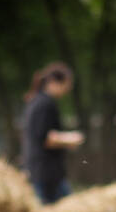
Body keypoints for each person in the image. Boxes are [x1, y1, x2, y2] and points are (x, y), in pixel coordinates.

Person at [22, 62, 84, 204]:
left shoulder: (34, 101)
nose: (67, 90)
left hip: (37, 169)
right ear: (55, 82)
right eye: (66, 85)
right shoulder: (46, 104)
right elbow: (47, 138)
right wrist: (70, 139)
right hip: (48, 174)